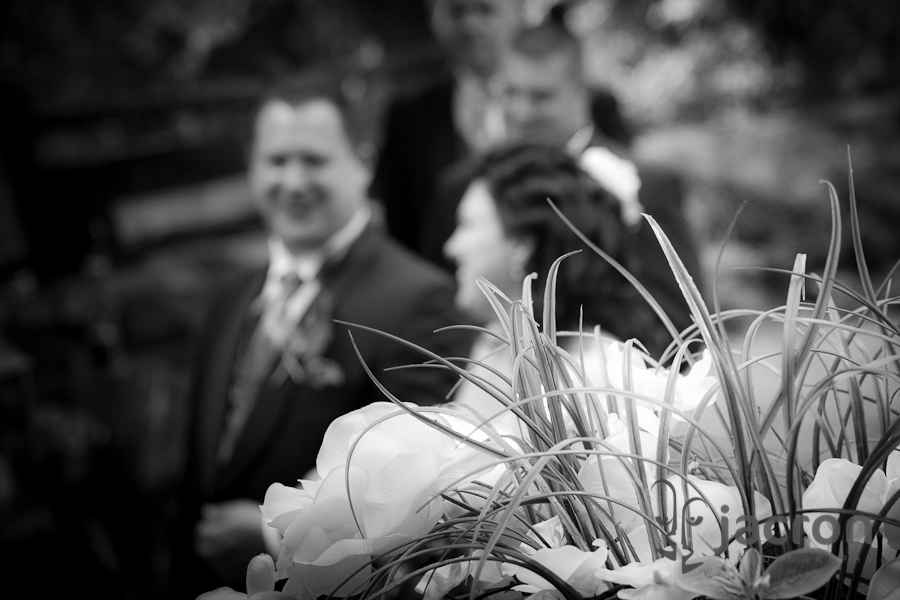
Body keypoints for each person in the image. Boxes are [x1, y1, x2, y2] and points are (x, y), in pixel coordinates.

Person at [167, 83, 477, 598]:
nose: (293, 181)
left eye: (313, 160)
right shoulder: (230, 297)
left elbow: (416, 487)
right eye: (276, 160)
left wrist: (272, 534)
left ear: (362, 163)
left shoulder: (419, 300)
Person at [423, 21, 704, 343]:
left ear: (582, 91)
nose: (521, 111)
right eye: (510, 93)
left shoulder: (646, 185)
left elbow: (679, 321)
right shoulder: (461, 187)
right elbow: (442, 307)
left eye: (540, 96)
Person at [442, 142, 669, 423]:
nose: (451, 247)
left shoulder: (594, 377)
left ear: (522, 245)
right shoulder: (495, 341)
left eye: (466, 224)